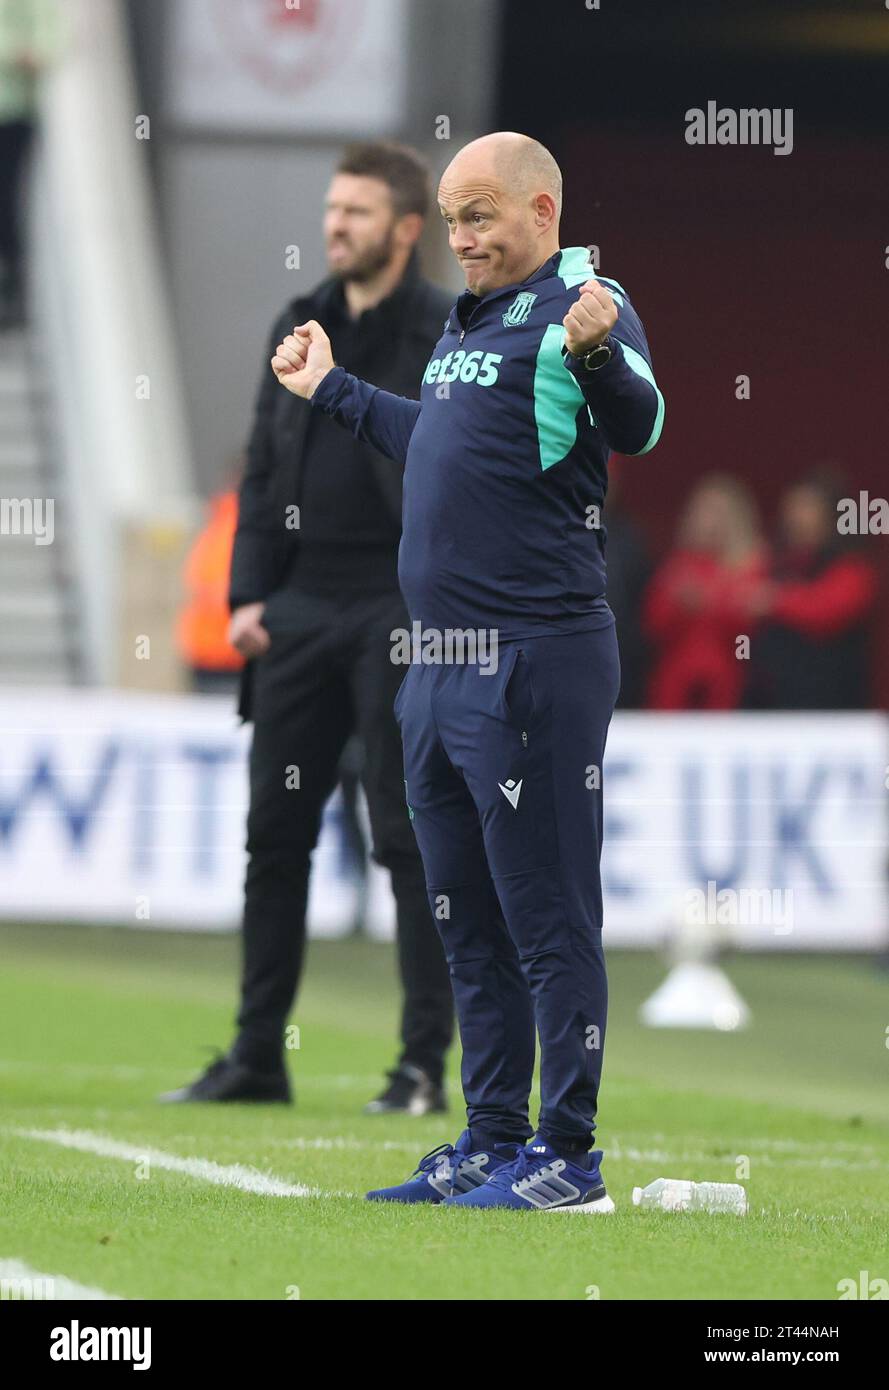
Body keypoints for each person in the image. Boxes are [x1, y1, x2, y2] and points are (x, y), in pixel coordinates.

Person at [269, 131, 665, 1210]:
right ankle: (492, 1136)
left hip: (531, 656)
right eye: (451, 218)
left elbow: (642, 420)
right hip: (436, 666)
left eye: (480, 215)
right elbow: (440, 441)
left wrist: (594, 352)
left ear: (542, 211)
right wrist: (336, 391)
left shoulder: (586, 301)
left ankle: (567, 1155)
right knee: (463, 919)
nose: (462, 236)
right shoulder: (469, 315)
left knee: (544, 915)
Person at [161, 143, 455, 1114]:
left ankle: (419, 1066)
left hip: (398, 606)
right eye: (332, 209)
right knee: (272, 836)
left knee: (406, 835)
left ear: (406, 230)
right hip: (298, 608)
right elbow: (258, 466)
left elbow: (453, 460)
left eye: (357, 212)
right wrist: (249, 594)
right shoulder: (298, 320)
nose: (335, 226)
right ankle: (258, 1056)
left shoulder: (442, 328)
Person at [744, 473, 878, 709]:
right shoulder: (774, 561)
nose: (796, 516)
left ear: (831, 515)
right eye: (792, 506)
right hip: (772, 700)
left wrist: (776, 600)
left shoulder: (851, 566)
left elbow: (828, 611)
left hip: (831, 703)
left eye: (806, 507)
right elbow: (741, 596)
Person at [643, 475, 767, 709]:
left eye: (719, 513)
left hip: (730, 686)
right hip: (673, 687)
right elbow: (653, 624)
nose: (710, 521)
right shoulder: (677, 565)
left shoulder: (751, 565)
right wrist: (680, 606)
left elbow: (756, 628)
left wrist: (716, 603)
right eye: (704, 511)